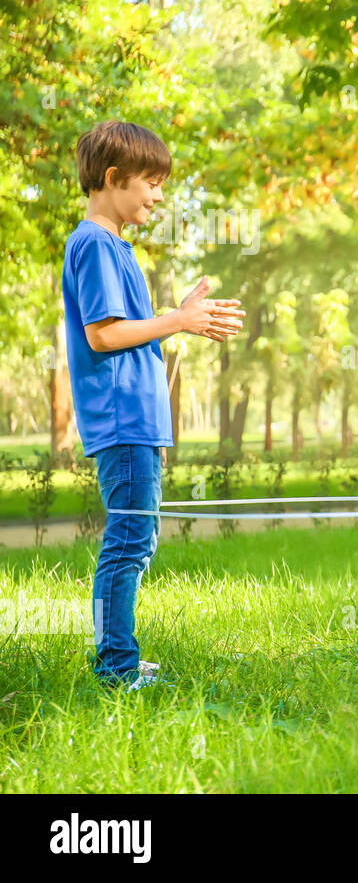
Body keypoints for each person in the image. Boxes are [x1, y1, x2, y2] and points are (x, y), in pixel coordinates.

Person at [63, 120, 246, 689]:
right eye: (151, 183)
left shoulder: (113, 245)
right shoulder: (94, 243)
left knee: (135, 540)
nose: (159, 195)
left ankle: (117, 658)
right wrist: (179, 320)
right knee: (127, 542)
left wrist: (177, 314)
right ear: (114, 178)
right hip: (122, 421)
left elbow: (128, 328)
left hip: (135, 420)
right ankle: (115, 668)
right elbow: (104, 335)